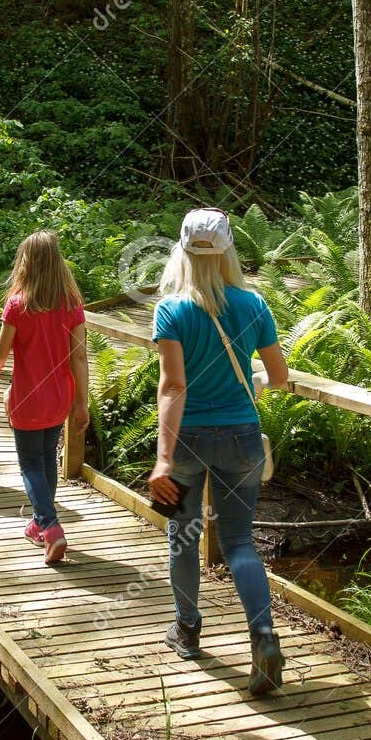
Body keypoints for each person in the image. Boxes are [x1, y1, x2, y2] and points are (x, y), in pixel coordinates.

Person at [147, 208, 290, 695]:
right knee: (239, 542)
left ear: (182, 251)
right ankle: (263, 637)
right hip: (241, 438)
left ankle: (187, 630)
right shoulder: (254, 305)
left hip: (188, 440)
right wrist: (253, 381)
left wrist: (163, 458)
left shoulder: (171, 311)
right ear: (229, 251)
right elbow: (278, 376)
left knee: (183, 538)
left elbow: (173, 387)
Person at [0, 231, 90, 565]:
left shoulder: (18, 305)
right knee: (47, 459)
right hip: (60, 398)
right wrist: (82, 403)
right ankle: (38, 524)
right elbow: (79, 357)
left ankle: (51, 526)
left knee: (30, 463)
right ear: (58, 263)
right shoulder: (72, 305)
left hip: (27, 399)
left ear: (25, 263)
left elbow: (1, 353)